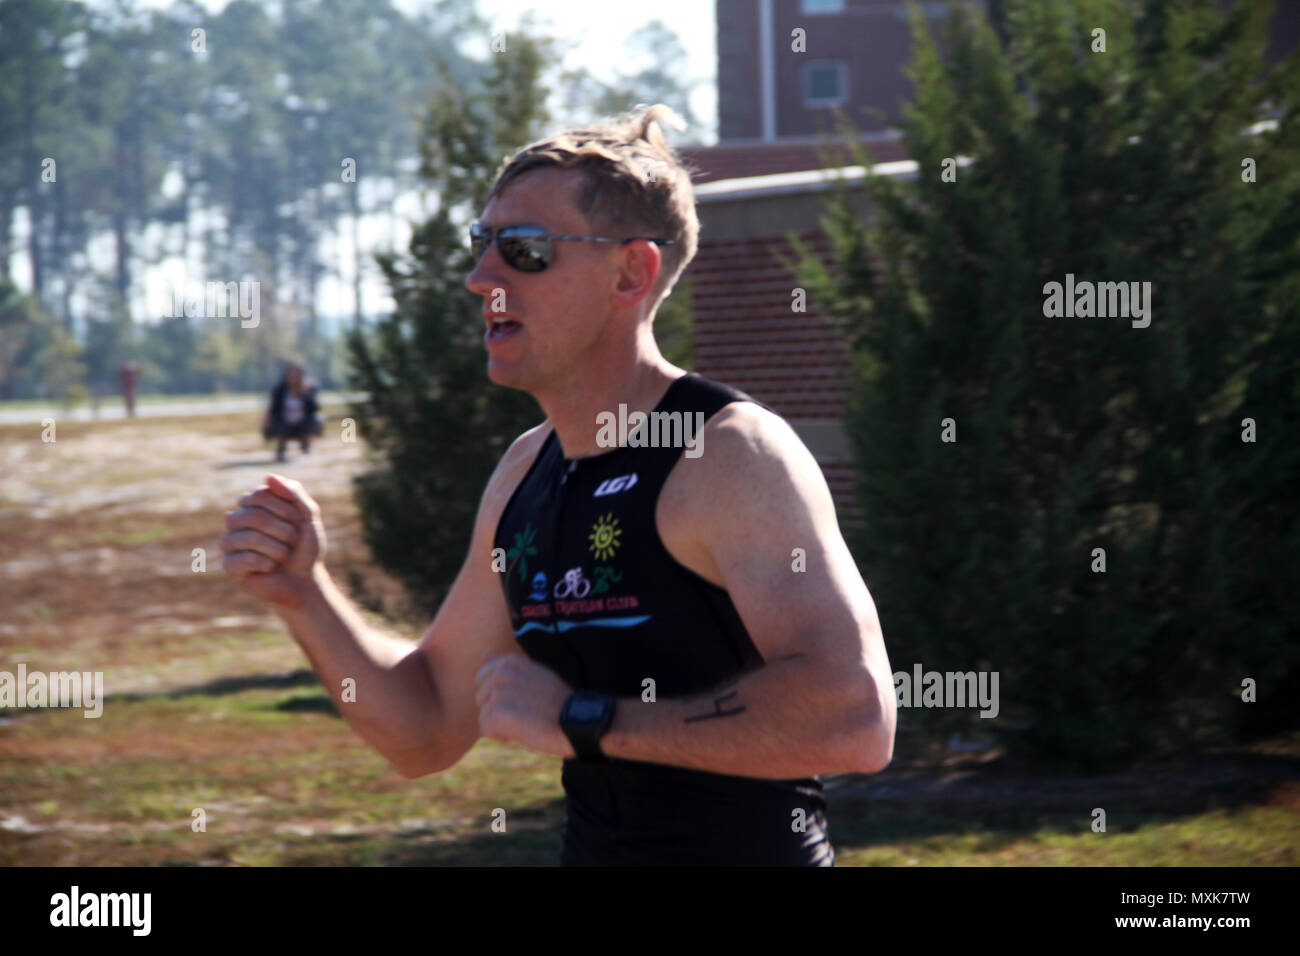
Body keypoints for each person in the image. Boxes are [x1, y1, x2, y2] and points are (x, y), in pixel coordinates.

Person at [221, 104, 896, 866]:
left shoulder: (726, 455)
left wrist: (586, 720)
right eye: (481, 244)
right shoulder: (524, 473)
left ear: (631, 271)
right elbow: (428, 727)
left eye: (524, 249)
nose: (482, 279)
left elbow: (856, 716)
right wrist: (304, 595)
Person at [261, 363, 322, 463]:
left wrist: (304, 393)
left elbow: (315, 408)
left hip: (302, 422)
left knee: (314, 419)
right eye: (291, 375)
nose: (294, 378)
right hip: (284, 422)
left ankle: (306, 444)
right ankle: (281, 448)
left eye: (296, 375)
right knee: (278, 423)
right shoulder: (279, 391)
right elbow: (273, 409)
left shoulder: (308, 390)